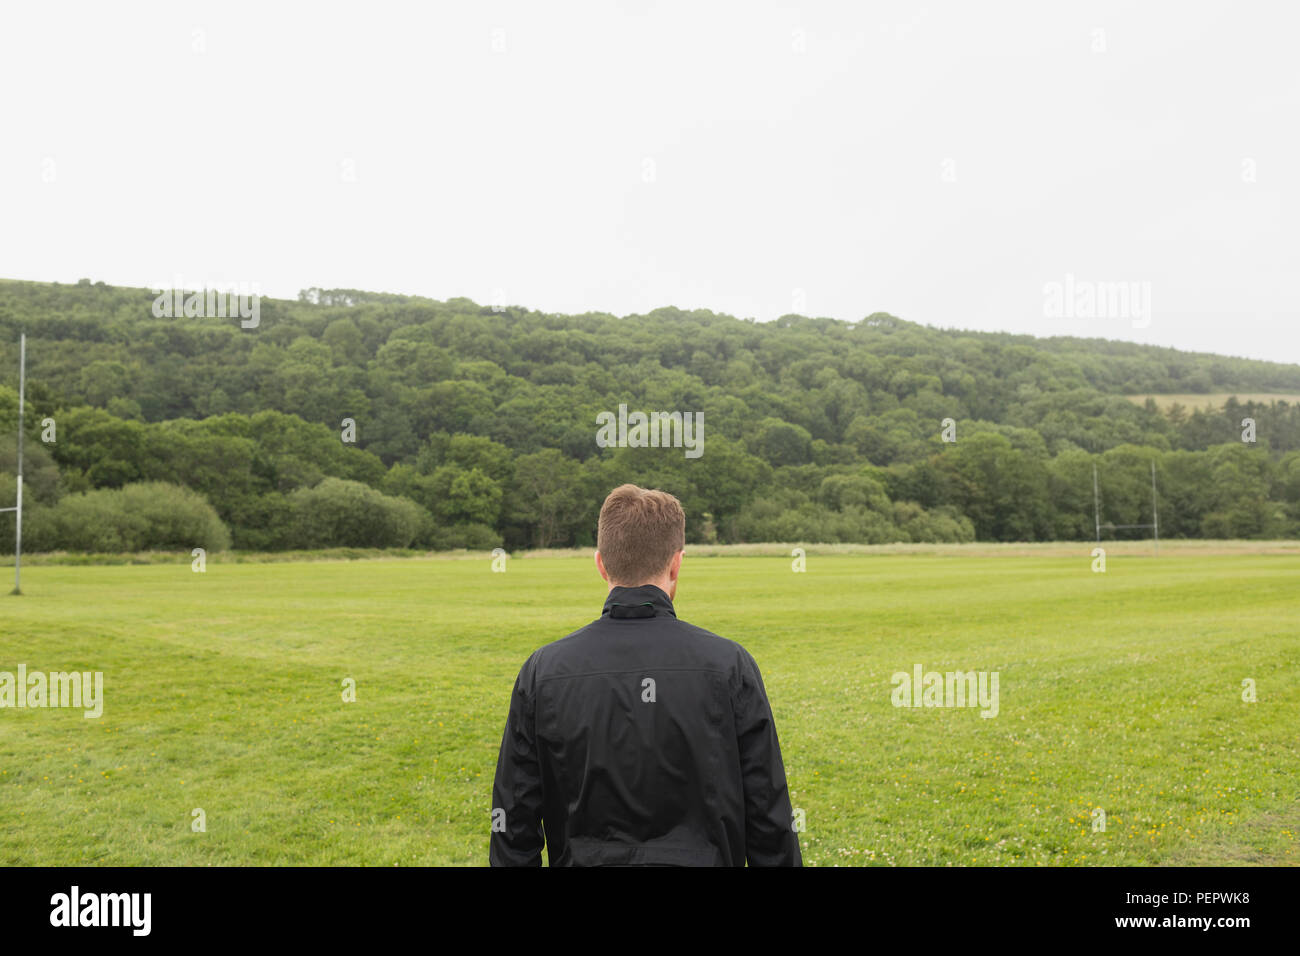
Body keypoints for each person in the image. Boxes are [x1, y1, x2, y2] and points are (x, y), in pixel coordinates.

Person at [489, 483, 802, 866]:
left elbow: (513, 828)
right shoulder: (730, 666)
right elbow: (770, 824)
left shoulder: (543, 672)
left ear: (600, 563)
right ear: (676, 564)